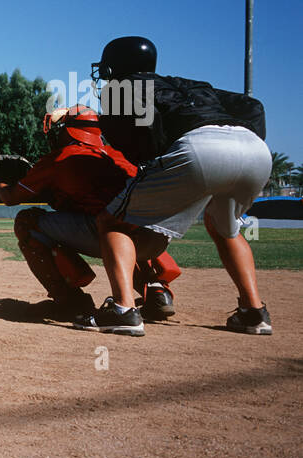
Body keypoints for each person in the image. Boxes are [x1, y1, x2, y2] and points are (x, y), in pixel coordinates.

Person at [74, 36, 272, 336]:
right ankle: (253, 312)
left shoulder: (119, 88)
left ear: (116, 65)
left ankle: (123, 310)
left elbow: (135, 146)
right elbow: (252, 104)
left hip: (199, 150)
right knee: (225, 228)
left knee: (113, 222)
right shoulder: (187, 83)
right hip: (254, 150)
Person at [0, 105, 182, 319]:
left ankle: (68, 300)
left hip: (111, 235)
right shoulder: (120, 154)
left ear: (68, 131)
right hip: (157, 237)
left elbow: (10, 198)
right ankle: (157, 291)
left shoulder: (61, 157)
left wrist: (1, 177)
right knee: (127, 219)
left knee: (27, 222)